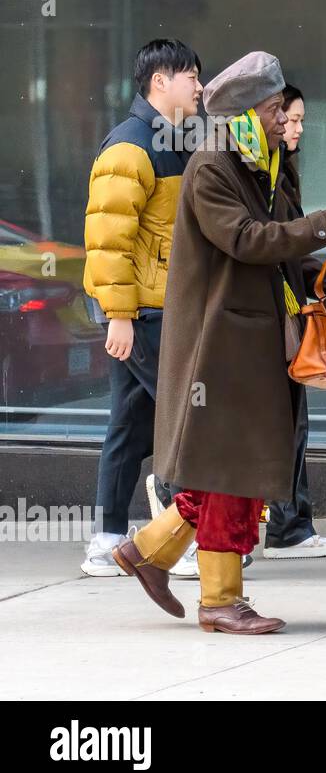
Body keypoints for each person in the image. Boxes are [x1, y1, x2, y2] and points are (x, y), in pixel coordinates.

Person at [110, 51, 326, 634]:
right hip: (219, 340)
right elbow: (250, 240)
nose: (286, 119)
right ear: (243, 115)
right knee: (236, 471)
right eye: (275, 109)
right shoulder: (212, 167)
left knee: (225, 465)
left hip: (256, 333)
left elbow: (286, 247)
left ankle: (146, 551)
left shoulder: (269, 161)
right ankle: (221, 602)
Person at [79, 39, 203, 577]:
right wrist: (120, 317)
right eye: (191, 77)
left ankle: (108, 540)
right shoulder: (130, 147)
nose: (199, 86)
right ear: (160, 82)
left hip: (156, 307)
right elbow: (108, 241)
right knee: (184, 418)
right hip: (145, 313)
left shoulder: (174, 141)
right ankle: (173, 541)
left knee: (130, 426)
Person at [262, 83, 326, 558]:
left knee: (292, 416)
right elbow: (273, 241)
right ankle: (286, 526)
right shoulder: (254, 171)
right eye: (289, 119)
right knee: (284, 418)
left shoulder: (282, 169)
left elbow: (288, 245)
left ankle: (290, 523)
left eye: (301, 121)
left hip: (286, 303)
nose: (296, 129)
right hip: (270, 310)